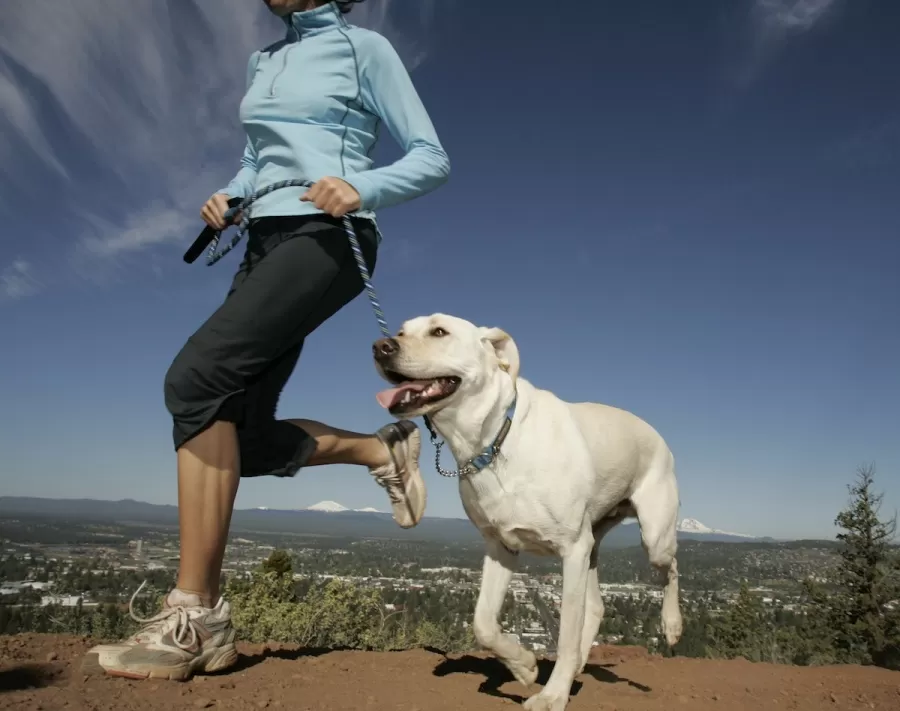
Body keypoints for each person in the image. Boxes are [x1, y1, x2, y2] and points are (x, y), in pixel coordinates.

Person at [84, 0, 449, 681]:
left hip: (328, 236)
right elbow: (258, 158)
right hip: (264, 238)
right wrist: (231, 195)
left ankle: (196, 614)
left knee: (195, 380)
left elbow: (432, 158)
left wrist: (361, 184)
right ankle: (383, 449)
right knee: (239, 436)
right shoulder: (265, 59)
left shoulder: (363, 48)